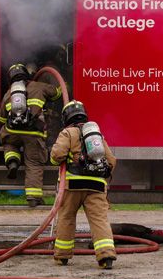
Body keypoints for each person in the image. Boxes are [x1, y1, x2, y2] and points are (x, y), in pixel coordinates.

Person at [49, 100, 118, 269]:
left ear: (66, 117)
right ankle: (106, 257)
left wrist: (61, 159)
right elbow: (111, 161)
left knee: (66, 218)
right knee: (99, 220)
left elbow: (56, 155)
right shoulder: (96, 135)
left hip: (72, 184)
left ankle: (62, 256)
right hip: (96, 186)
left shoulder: (68, 133)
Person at [0, 63, 61, 206]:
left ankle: (12, 160)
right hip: (33, 134)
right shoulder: (39, 86)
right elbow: (57, 93)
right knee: (33, 163)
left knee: (9, 143)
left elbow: (1, 119)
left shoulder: (8, 94)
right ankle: (33, 197)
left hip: (12, 131)